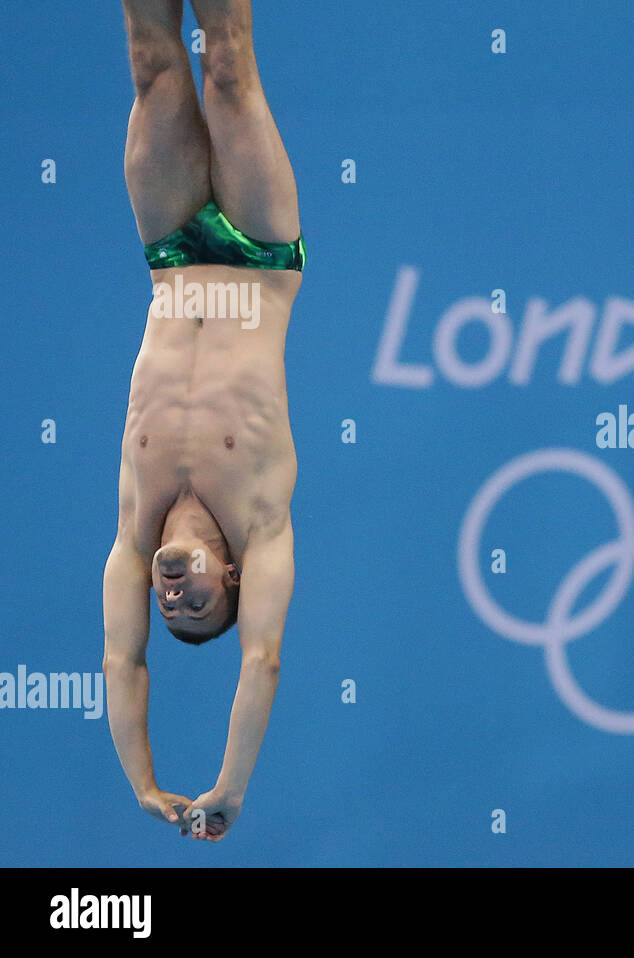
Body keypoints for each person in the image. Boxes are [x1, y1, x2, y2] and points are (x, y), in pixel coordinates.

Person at [102, 0, 301, 840]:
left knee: (153, 67)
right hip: (259, 255)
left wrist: (144, 782)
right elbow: (261, 662)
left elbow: (122, 660)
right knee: (226, 68)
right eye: (199, 607)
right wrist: (227, 789)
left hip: (172, 251)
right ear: (233, 583)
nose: (174, 597)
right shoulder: (263, 528)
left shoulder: (133, 535)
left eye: (169, 607)